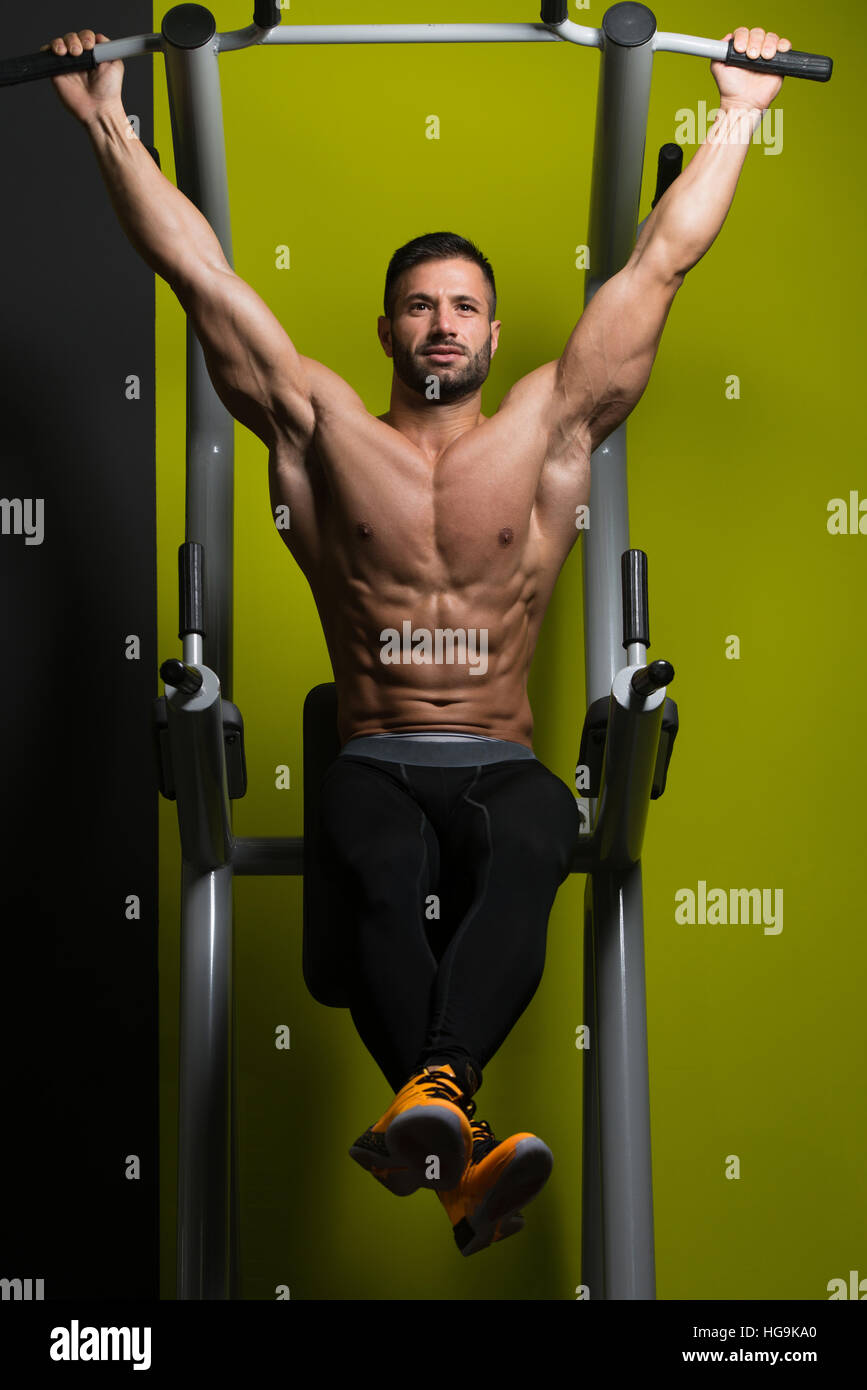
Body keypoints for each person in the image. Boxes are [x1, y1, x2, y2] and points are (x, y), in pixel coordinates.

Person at [43, 23, 792, 1256]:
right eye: (420, 308)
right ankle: (453, 1118)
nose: (443, 325)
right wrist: (106, 120)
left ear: (496, 337)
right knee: (382, 863)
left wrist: (742, 109)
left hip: (502, 758)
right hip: (377, 754)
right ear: (386, 329)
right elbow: (204, 280)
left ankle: (434, 1106)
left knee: (543, 826)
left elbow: (660, 264)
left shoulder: (549, 435)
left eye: (465, 308)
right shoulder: (322, 431)